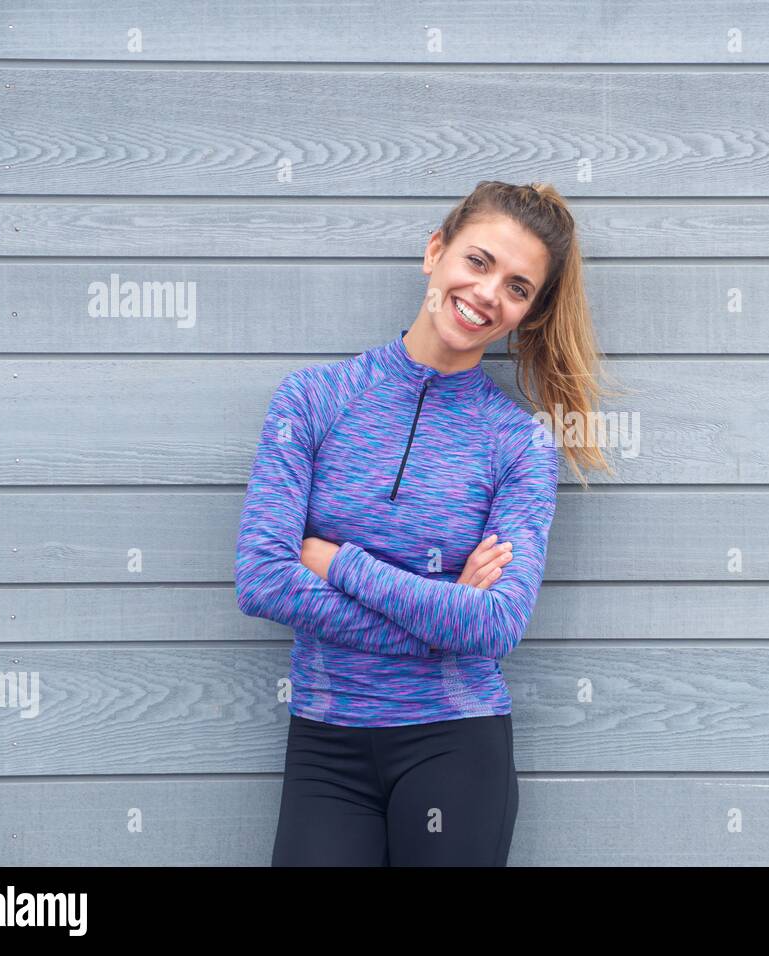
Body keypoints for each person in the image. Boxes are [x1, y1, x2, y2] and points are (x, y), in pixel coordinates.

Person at [235, 181, 615, 866]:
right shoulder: (313, 400)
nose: (488, 293)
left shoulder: (520, 444)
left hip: (456, 744)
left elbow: (495, 625)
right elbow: (263, 581)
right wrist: (443, 618)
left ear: (527, 314)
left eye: (519, 287)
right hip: (326, 742)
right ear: (434, 252)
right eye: (477, 261)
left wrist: (336, 563)